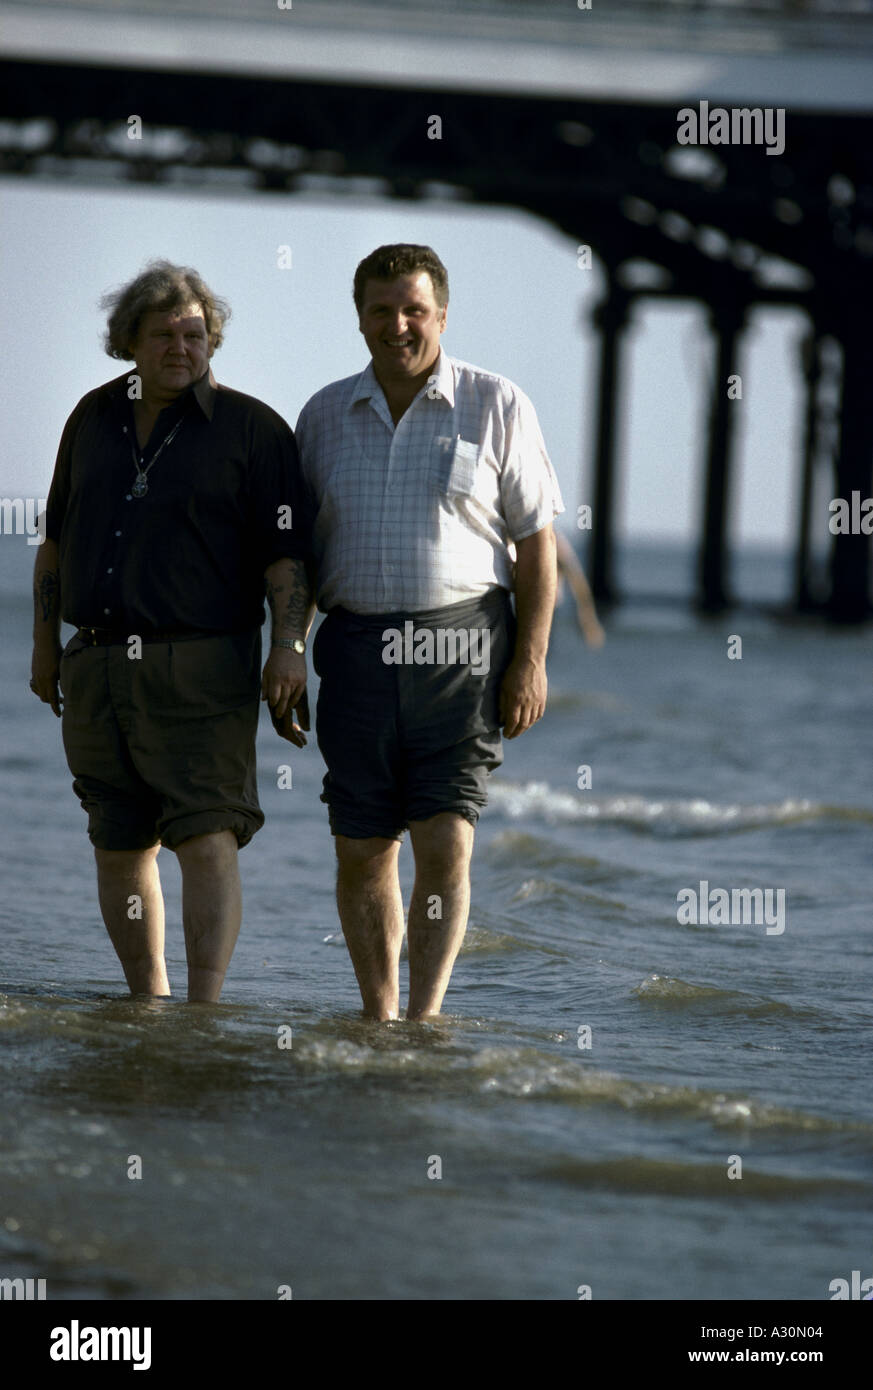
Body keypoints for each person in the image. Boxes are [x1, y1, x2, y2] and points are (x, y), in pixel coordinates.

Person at [294, 243, 564, 1022]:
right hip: (354, 650)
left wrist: (531, 660)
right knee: (362, 846)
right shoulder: (322, 416)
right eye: (381, 311)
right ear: (360, 319)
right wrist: (285, 647)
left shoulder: (496, 402)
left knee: (445, 842)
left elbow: (536, 545)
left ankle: (425, 1017)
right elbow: (300, 557)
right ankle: (377, 1017)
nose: (398, 325)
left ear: (441, 314)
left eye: (414, 310)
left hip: (464, 650)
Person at [30, 260, 311, 1003]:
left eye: (194, 333)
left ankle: (204, 1008)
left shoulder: (254, 431)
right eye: (162, 334)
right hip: (94, 663)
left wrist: (289, 648)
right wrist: (42, 646)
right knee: (118, 841)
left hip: (202, 665)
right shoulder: (91, 417)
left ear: (211, 339)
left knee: (205, 834)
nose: (180, 347)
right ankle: (145, 1003)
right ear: (129, 341)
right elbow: (54, 540)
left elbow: (288, 557)